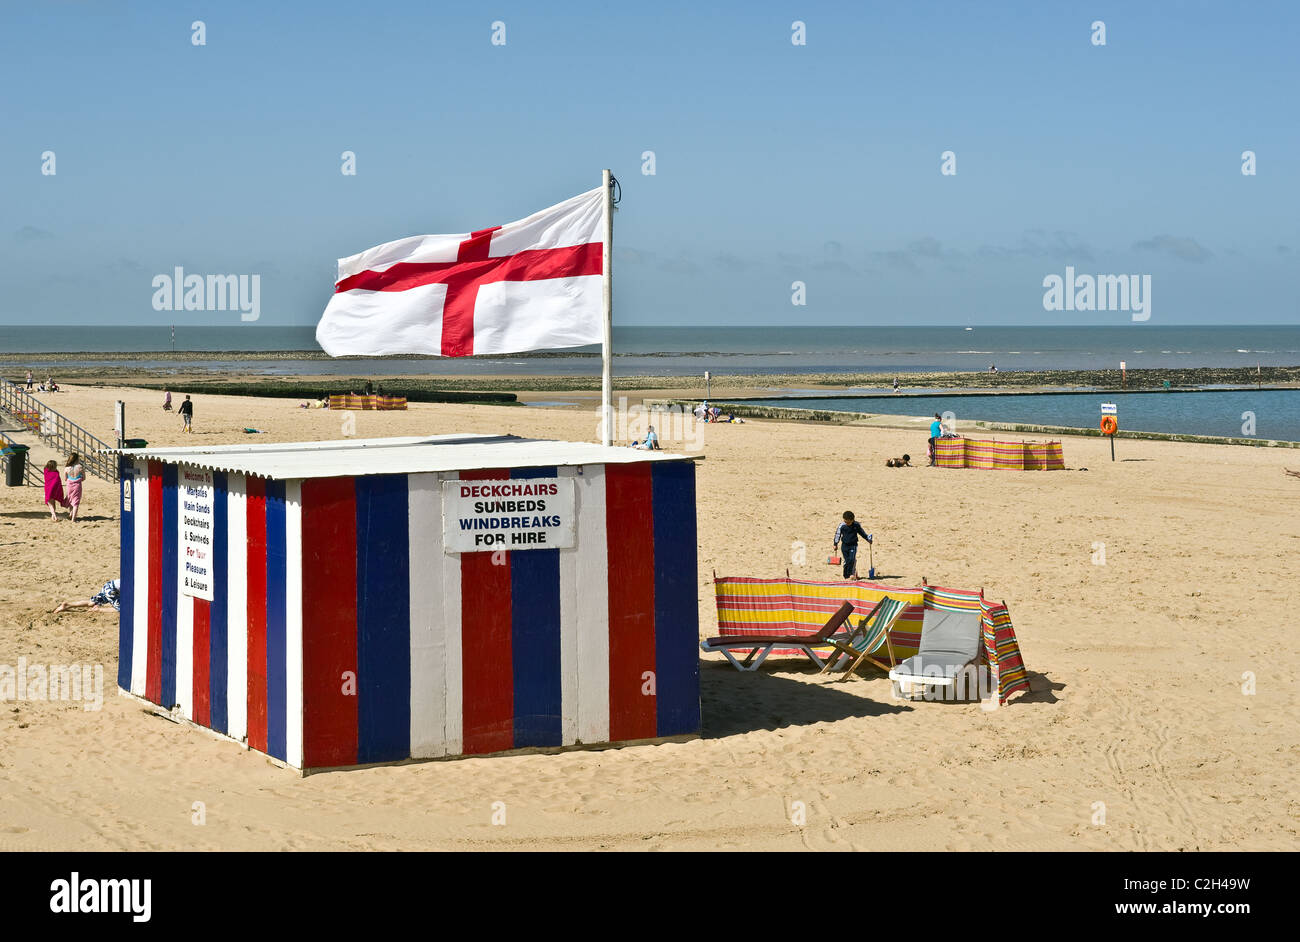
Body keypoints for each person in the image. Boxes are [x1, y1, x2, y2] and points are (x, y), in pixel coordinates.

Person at [832, 511, 871, 580]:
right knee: (847, 561)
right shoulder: (842, 526)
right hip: (844, 546)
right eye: (845, 521)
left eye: (849, 522)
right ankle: (846, 575)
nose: (847, 523)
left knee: (852, 559)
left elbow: (861, 532)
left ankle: (850, 574)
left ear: (853, 520)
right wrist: (835, 544)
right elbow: (838, 535)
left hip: (853, 545)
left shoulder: (856, 525)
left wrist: (867, 538)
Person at [52, 579, 121, 614]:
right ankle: (98, 609)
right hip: (112, 590)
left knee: (91, 603)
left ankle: (67, 605)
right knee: (121, 609)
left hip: (108, 585)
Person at [64, 453, 85, 522]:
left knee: (70, 500)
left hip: (69, 486)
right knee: (76, 502)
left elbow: (65, 478)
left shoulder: (67, 468)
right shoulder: (80, 467)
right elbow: (84, 478)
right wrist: (78, 479)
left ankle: (71, 513)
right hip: (77, 486)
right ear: (77, 459)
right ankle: (73, 519)